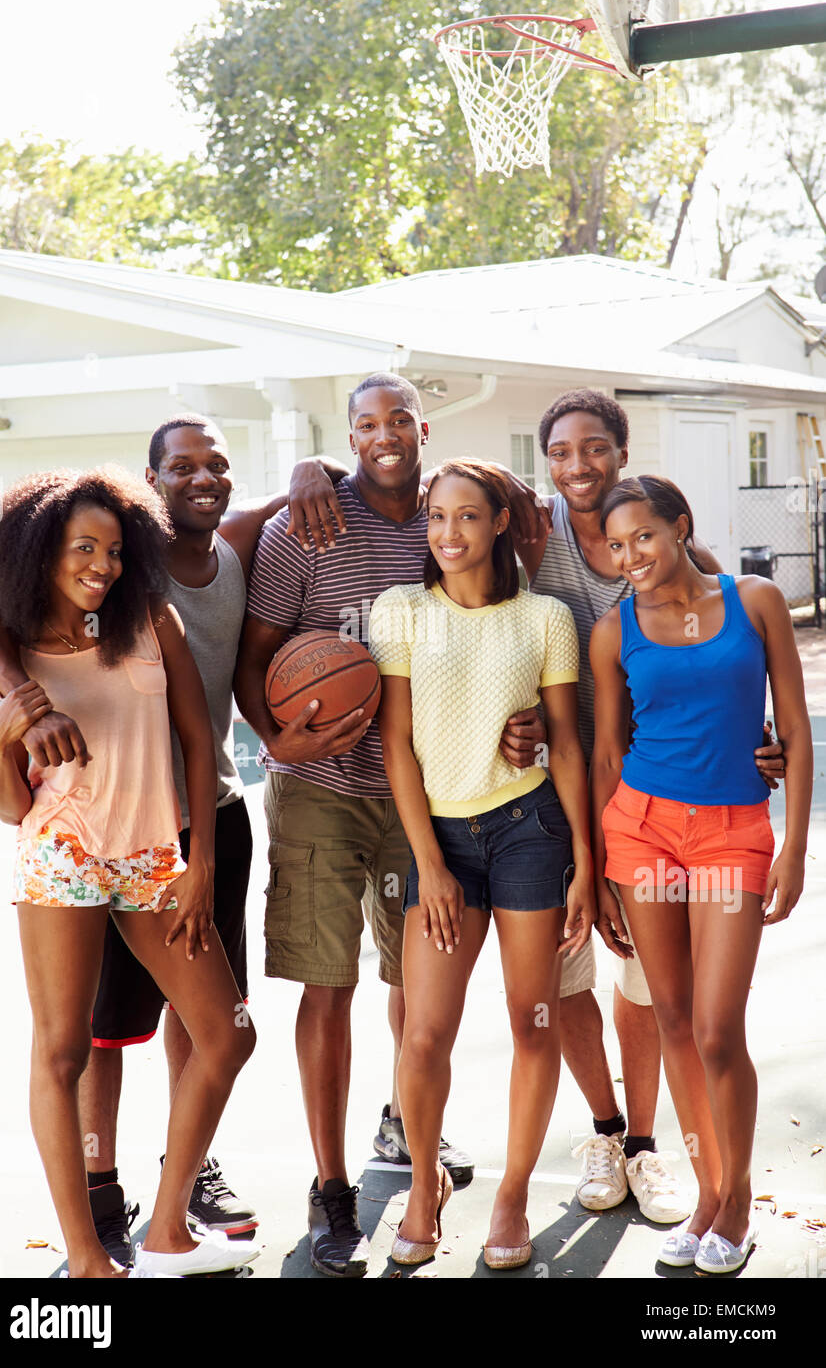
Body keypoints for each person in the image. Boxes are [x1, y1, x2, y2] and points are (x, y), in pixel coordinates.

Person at [0, 418, 342, 1265]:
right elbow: (9, 809)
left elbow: (202, 742)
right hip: (62, 859)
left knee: (228, 1034)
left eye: (113, 550)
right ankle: (88, 1252)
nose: (101, 566)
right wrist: (2, 731)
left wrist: (200, 860)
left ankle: (169, 1224)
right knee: (62, 1052)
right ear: (41, 552)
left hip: (156, 853)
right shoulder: (10, 653)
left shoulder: (148, 619)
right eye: (81, 550)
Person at [234, 373, 544, 1277]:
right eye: (365, 423)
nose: (384, 434)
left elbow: (503, 633)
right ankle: (333, 1190)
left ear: (422, 427)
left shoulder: (454, 513)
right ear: (350, 434)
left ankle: (413, 1135)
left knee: (414, 985)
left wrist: (520, 721)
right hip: (323, 790)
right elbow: (258, 656)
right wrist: (277, 733)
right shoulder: (306, 524)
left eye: (398, 418)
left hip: (430, 793)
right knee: (326, 988)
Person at [515, 390, 784, 1224]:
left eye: (593, 447)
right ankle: (620, 1141)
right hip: (578, 798)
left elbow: (738, 672)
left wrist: (757, 737)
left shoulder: (711, 573)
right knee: (583, 982)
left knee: (674, 1004)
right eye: (560, 452)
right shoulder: (532, 540)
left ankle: (654, 1148)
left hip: (691, 806)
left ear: (622, 454)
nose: (577, 465)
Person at [370, 459, 593, 1270]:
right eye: (436, 517)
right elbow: (395, 744)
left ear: (501, 522)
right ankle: (425, 1182)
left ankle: (511, 1195)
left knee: (534, 1025)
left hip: (531, 830)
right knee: (424, 1036)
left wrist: (586, 863)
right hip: (442, 843)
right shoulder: (400, 612)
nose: (448, 533)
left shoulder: (545, 617)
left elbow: (564, 742)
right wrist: (428, 862)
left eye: (467, 517)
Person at [590, 474, 811, 1273]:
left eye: (644, 537)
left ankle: (738, 1199)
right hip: (642, 833)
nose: (631, 557)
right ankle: (709, 1192)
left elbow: (793, 723)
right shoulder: (613, 630)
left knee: (718, 1030)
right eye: (616, 546)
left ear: (679, 526)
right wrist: (602, 870)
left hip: (730, 837)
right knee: (674, 1019)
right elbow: (609, 752)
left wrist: (792, 845)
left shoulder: (754, 601)